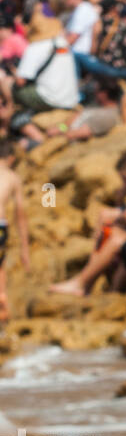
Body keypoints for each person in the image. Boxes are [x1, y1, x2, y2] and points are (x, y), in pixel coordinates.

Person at [0, 138, 30, 323]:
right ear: (11, 158)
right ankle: (2, 299)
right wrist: (24, 248)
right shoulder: (12, 177)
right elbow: (21, 215)